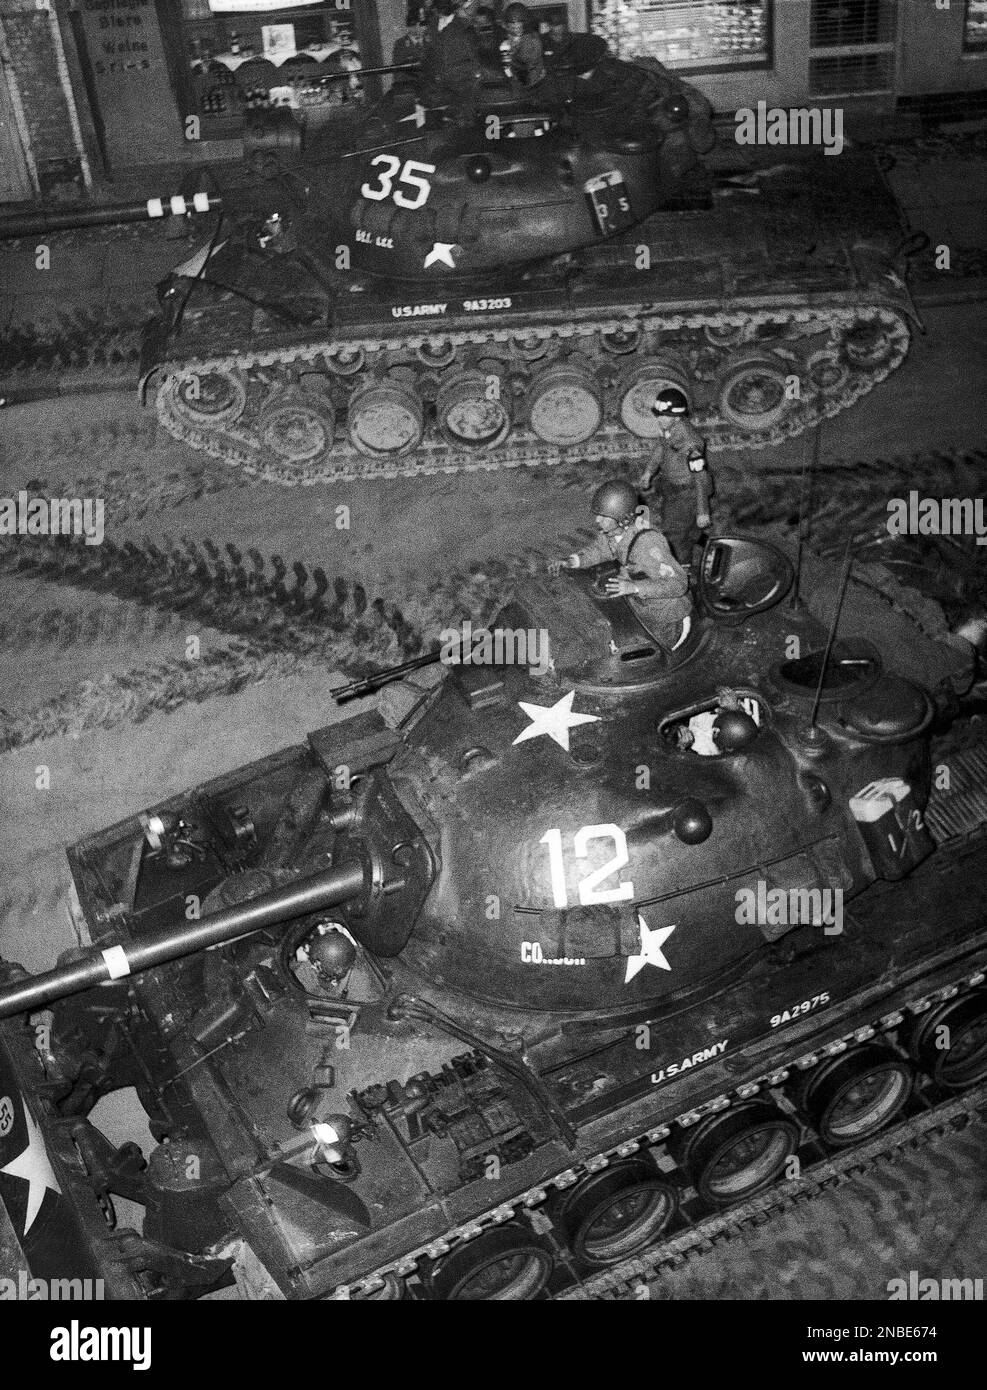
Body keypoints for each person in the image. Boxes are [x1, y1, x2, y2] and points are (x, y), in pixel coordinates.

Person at [547, 479, 693, 651]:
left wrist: (634, 587)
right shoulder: (614, 532)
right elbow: (599, 550)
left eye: (604, 517)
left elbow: (678, 583)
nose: (597, 520)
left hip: (667, 619)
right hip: (641, 605)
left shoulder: (647, 544)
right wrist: (573, 561)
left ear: (623, 518)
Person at [637, 388, 712, 565]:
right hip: (673, 485)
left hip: (688, 492)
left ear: (677, 417)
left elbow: (700, 478)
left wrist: (703, 511)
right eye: (658, 414)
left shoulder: (690, 443)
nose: (659, 419)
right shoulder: (669, 428)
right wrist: (649, 471)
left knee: (674, 535)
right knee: (688, 525)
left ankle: (681, 568)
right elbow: (661, 448)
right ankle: (701, 540)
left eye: (664, 415)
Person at [423, 0, 483, 123]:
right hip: (437, 91)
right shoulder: (432, 25)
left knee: (463, 129)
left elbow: (474, 61)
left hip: (461, 90)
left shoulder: (464, 26)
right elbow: (428, 58)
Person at [501, 3, 545, 88]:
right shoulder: (506, 42)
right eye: (512, 26)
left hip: (534, 81)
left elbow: (531, 65)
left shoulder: (533, 40)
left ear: (524, 24)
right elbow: (506, 66)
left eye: (518, 26)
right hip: (516, 82)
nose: (515, 29)